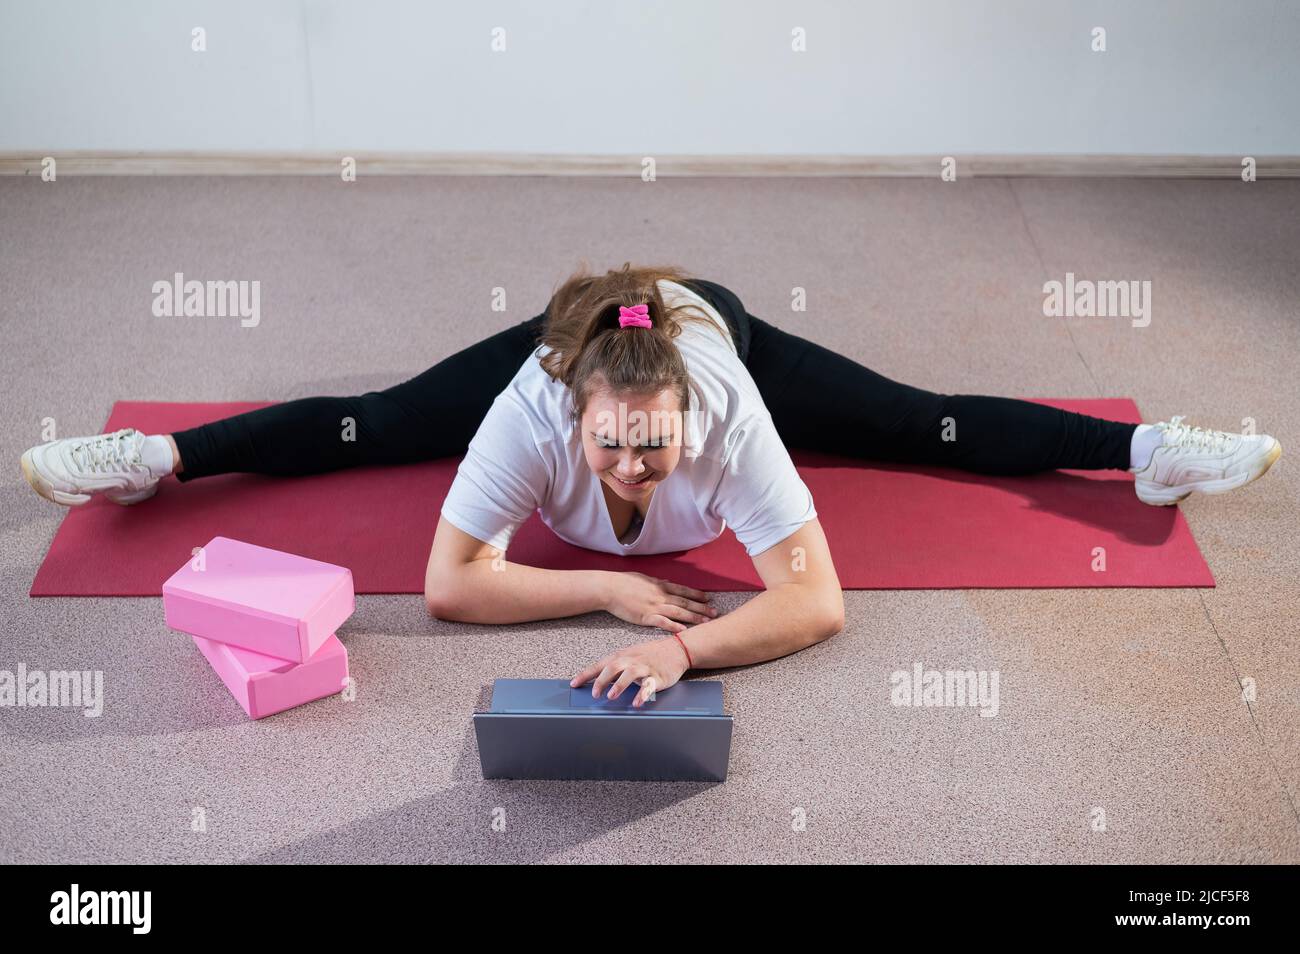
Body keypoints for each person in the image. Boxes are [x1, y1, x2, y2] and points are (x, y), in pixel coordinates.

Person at [21, 263, 1282, 705]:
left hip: (708, 317)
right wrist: (605, 602)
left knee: (917, 422)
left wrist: (688, 654)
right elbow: (451, 590)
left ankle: (1144, 451)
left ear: (693, 411)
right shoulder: (532, 400)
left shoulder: (728, 410)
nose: (632, 465)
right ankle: (148, 462)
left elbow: (819, 603)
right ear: (570, 407)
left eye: (654, 442)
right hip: (588, 331)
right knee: (379, 420)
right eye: (610, 442)